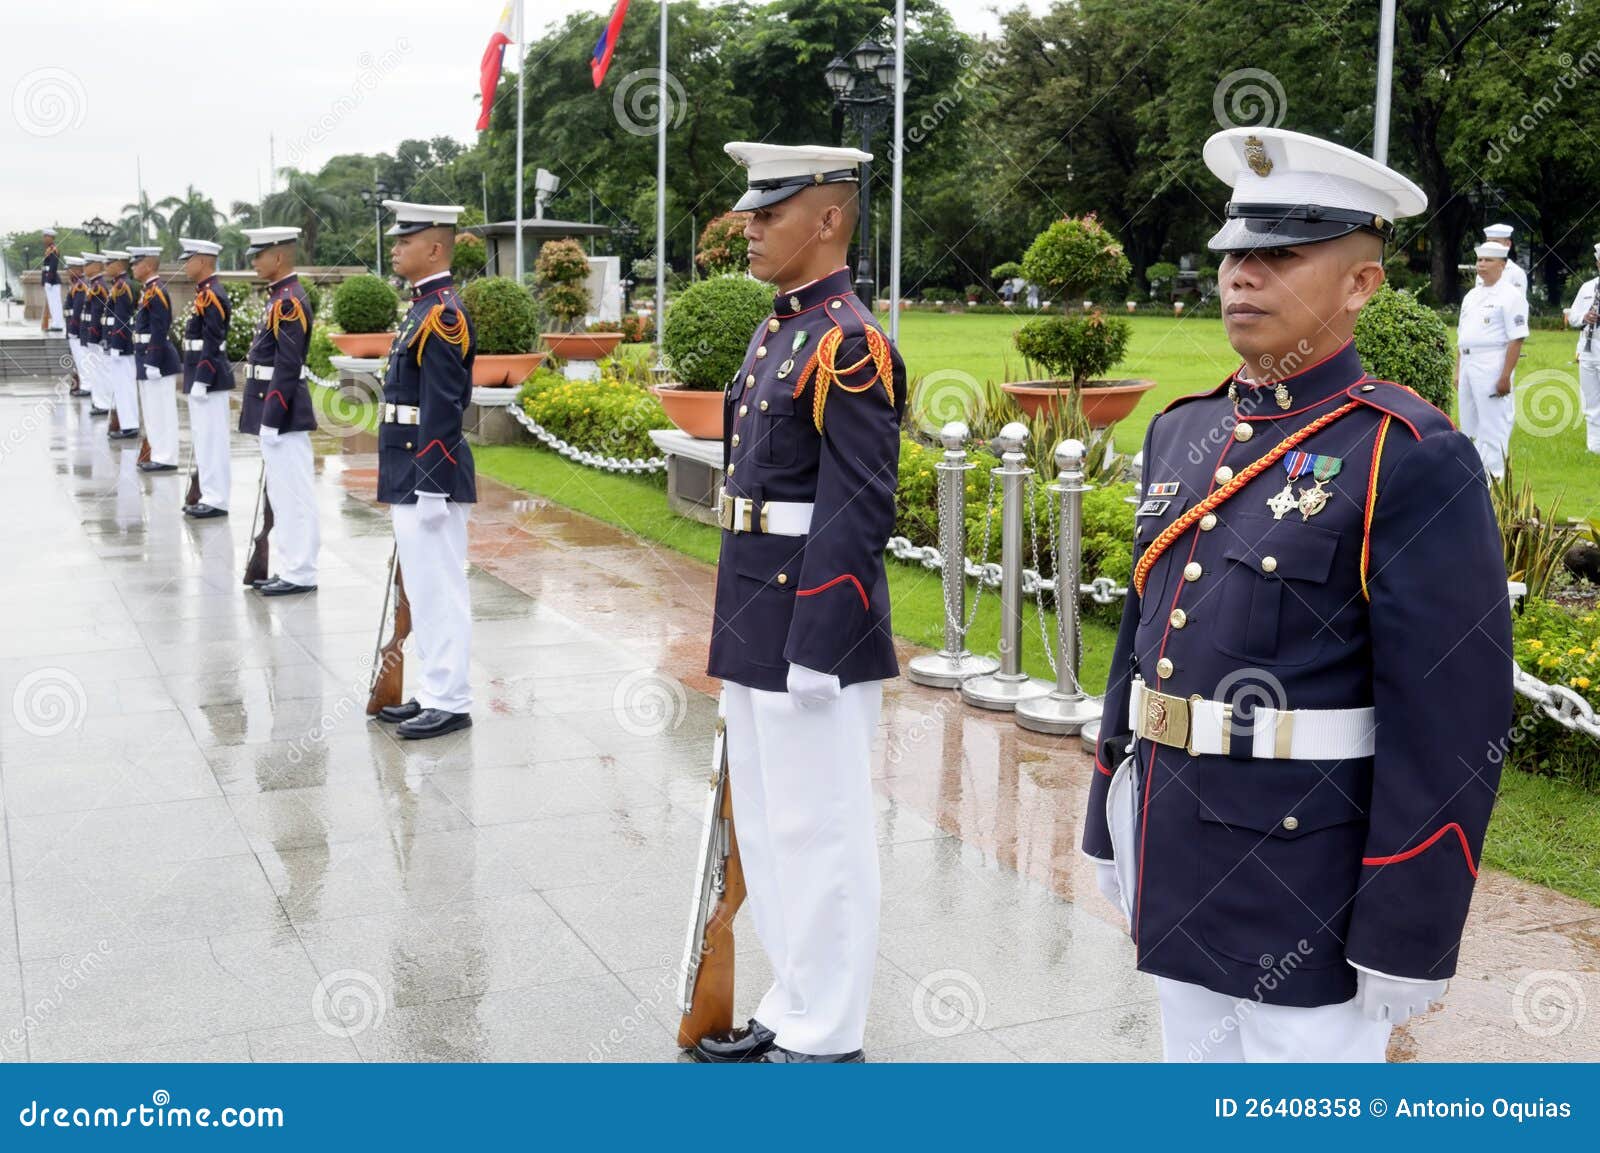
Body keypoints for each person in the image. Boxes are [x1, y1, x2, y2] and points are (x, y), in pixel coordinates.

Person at [1082, 127, 1511, 1063]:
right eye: (1237, 253)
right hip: (1181, 841)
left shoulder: (1408, 452)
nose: (1243, 276)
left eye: (1281, 255)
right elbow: (1145, 634)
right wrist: (1108, 823)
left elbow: (1451, 719)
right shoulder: (1184, 431)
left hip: (1309, 880)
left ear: (1362, 285)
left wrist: (1409, 925)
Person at [694, 141, 905, 1065]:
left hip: (808, 622)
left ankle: (832, 1028)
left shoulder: (849, 343)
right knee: (772, 827)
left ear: (827, 221)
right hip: (753, 606)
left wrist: (821, 639)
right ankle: (793, 1000)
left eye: (769, 212)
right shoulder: (780, 328)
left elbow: (859, 507)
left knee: (820, 827)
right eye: (750, 210)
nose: (748, 226)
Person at [371, 201, 476, 741]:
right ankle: (435, 691)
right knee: (423, 589)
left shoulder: (444, 314)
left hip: (427, 474)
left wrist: (432, 486)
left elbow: (442, 408)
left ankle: (451, 699)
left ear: (434, 248)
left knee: (441, 588)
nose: (395, 247)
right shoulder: (421, 309)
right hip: (407, 468)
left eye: (404, 240)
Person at [238, 226, 318, 595]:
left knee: (294, 494)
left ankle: (301, 571)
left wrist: (271, 417)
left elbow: (287, 366)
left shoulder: (289, 301)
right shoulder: (279, 297)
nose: (253, 261)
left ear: (279, 257)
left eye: (259, 254)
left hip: (282, 413)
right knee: (282, 495)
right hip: (270, 408)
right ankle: (290, 566)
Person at [1456, 242, 1527, 481]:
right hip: (1468, 361)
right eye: (1479, 260)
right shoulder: (1472, 295)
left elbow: (1516, 338)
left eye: (1488, 260)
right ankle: (1474, 476)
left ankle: (1495, 478)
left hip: (1492, 362)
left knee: (1493, 423)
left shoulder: (1510, 295)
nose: (1481, 265)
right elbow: (1461, 335)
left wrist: (1505, 375)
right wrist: (1458, 371)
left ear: (1503, 265)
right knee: (1469, 424)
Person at [178, 238, 233, 517]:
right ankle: (209, 494)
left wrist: (202, 378)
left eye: (188, 260)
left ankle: (217, 498)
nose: (185, 266)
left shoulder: (213, 295)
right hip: (199, 373)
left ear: (202, 261)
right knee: (203, 438)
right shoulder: (204, 293)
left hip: (209, 378)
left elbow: (213, 341)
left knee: (213, 439)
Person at [129, 246, 181, 472]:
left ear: (148, 265)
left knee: (162, 411)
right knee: (151, 411)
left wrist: (152, 360)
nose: (132, 266)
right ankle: (157, 453)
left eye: (136, 262)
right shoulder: (148, 290)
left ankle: (167, 457)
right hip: (145, 356)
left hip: (156, 360)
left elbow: (160, 329)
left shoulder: (157, 291)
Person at [1563, 240, 1600, 455]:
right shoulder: (1587, 287)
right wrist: (1584, 317)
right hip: (1588, 350)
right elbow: (1573, 316)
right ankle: (1594, 446)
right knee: (1591, 400)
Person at [101, 250, 141, 440]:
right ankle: (126, 423)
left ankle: (130, 425)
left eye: (109, 263)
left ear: (119, 264)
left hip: (122, 345)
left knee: (125, 385)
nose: (106, 266)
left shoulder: (122, 286)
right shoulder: (118, 285)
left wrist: (116, 344)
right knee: (120, 385)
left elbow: (122, 318)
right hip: (117, 342)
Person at [79, 253, 111, 416]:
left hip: (96, 335)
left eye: (88, 264)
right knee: (95, 370)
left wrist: (94, 334)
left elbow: (98, 313)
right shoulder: (93, 285)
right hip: (90, 332)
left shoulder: (99, 286)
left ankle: (103, 403)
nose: (85, 267)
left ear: (97, 266)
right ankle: (99, 401)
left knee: (100, 370)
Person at [1475, 223, 1528, 299]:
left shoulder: (1516, 273)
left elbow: (1517, 304)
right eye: (1488, 242)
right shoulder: (1483, 270)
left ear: (1508, 244)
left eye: (1495, 242)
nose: (1491, 246)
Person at [63, 256, 89, 396]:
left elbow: (78, 309)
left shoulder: (80, 286)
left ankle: (85, 385)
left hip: (77, 329)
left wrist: (73, 328)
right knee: (77, 359)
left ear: (78, 270)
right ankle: (83, 384)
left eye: (70, 269)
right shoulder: (76, 284)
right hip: (73, 327)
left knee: (81, 359)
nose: (67, 271)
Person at [39, 227, 64, 333]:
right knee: (52, 303)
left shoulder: (53, 249)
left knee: (55, 304)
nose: (44, 239)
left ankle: (58, 324)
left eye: (46, 236)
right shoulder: (49, 249)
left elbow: (53, 266)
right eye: (44, 236)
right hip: (49, 280)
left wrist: (48, 281)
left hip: (52, 281)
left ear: (51, 238)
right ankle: (55, 323)